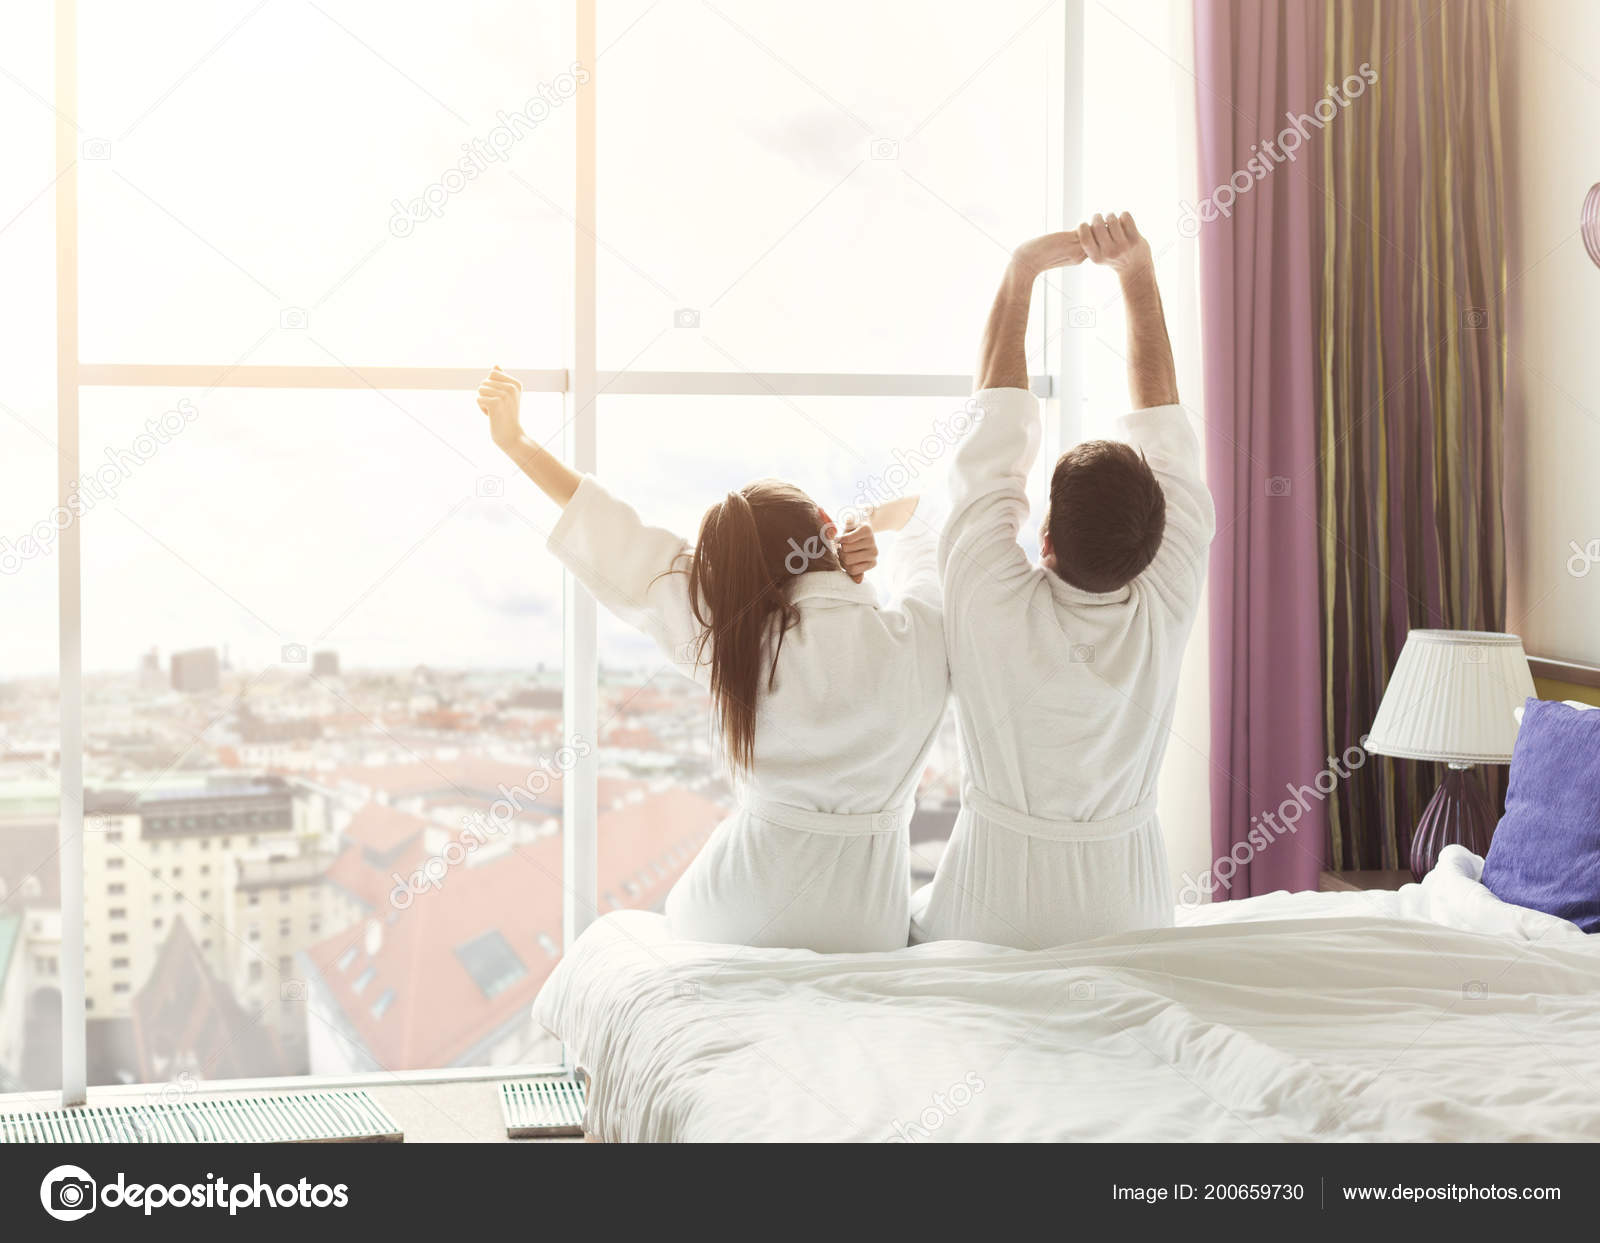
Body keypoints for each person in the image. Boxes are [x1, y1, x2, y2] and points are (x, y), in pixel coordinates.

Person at [476, 368, 945, 952]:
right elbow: (929, 526)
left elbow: (624, 540)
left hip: (732, 912)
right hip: (866, 924)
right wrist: (867, 523)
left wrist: (517, 442)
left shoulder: (734, 638)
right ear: (826, 528)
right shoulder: (918, 635)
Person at [911, 212, 1216, 949]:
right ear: (1157, 534)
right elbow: (1164, 424)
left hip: (991, 910)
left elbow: (995, 428)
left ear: (1043, 538)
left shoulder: (987, 593)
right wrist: (1138, 275)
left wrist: (1021, 273)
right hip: (1133, 912)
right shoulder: (1171, 590)